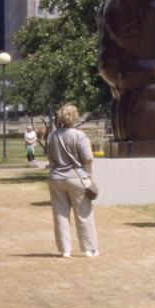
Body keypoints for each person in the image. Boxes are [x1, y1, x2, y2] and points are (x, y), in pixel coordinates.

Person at [44, 103, 99, 258]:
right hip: (77, 178)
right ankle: (88, 249)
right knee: (83, 214)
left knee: (60, 214)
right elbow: (88, 159)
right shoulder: (79, 135)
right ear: (74, 117)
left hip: (56, 178)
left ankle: (65, 250)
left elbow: (49, 157)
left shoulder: (52, 136)